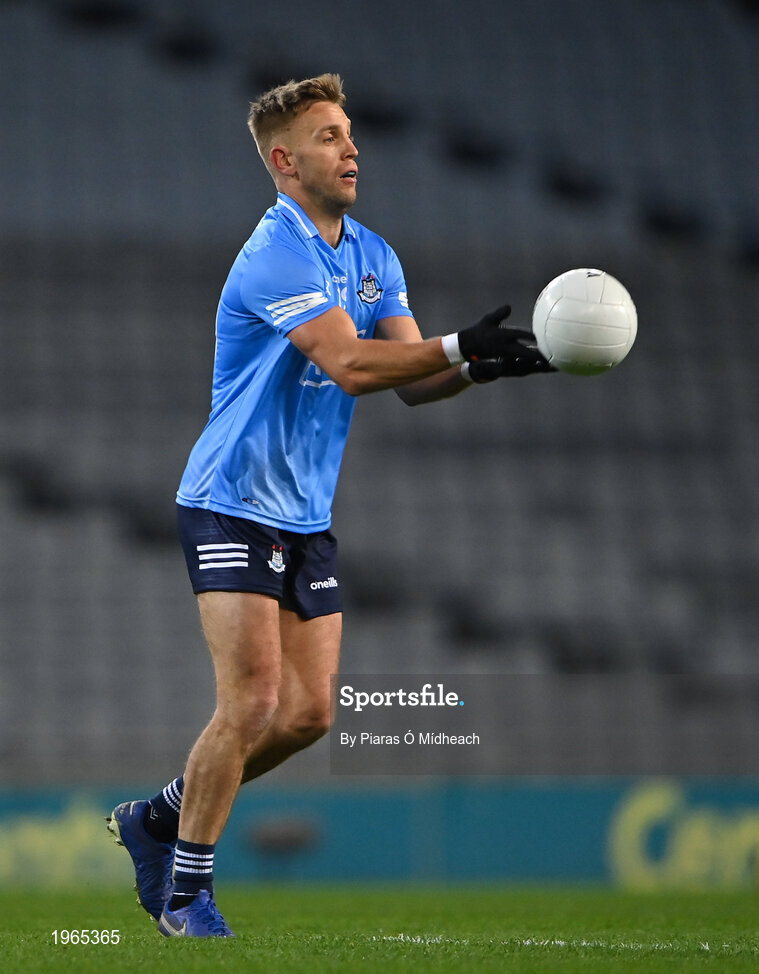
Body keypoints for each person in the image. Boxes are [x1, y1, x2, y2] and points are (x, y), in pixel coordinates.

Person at [107, 73, 553, 938]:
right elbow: (352, 367)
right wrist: (455, 343)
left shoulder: (374, 256)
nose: (350, 148)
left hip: (304, 515)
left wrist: (476, 368)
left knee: (310, 715)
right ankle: (185, 896)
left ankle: (155, 818)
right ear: (283, 162)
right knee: (251, 703)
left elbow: (412, 385)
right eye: (326, 136)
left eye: (349, 133)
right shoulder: (273, 251)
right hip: (230, 499)